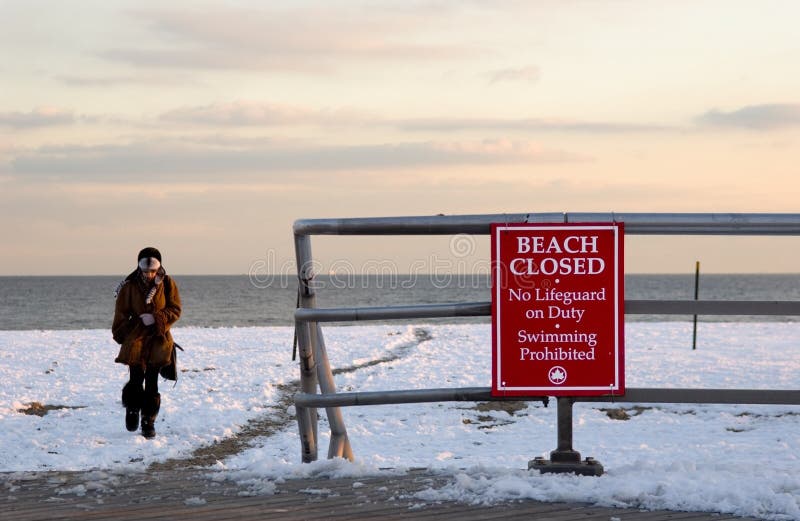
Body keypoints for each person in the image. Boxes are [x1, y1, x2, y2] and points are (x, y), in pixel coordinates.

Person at [112, 247, 181, 438]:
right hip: (136, 339)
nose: (149, 274)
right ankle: (132, 409)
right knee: (136, 377)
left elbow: (175, 309)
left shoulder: (167, 284)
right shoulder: (129, 286)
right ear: (139, 267)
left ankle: (148, 420)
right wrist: (127, 334)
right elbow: (121, 314)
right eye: (145, 270)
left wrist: (157, 319)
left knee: (152, 381)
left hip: (159, 338)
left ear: (159, 267)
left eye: (152, 270)